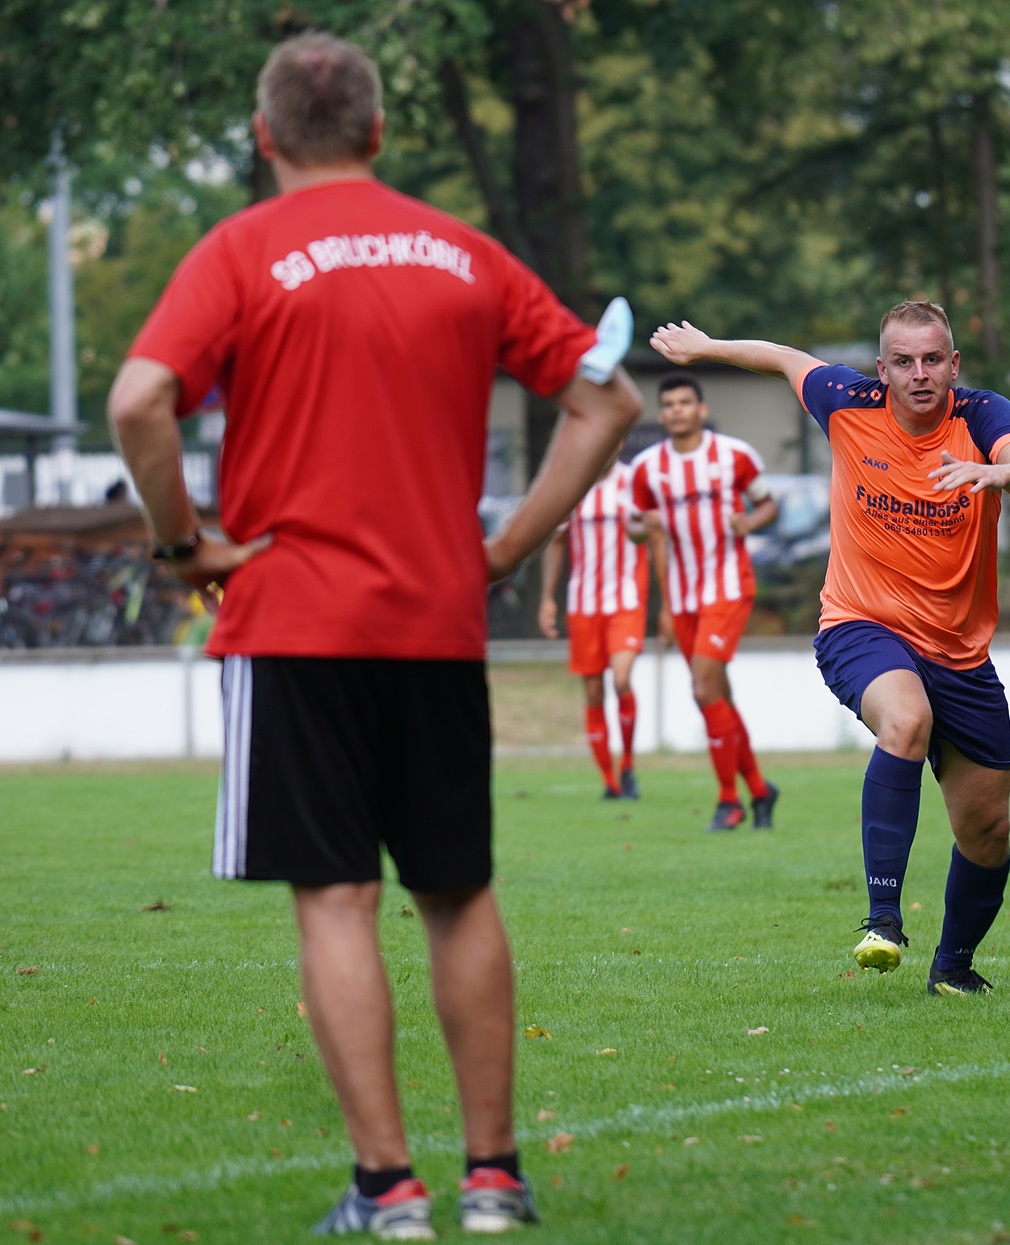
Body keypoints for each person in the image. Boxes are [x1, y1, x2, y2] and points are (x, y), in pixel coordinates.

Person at [107, 33, 640, 1239]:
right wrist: (501, 549)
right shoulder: (464, 252)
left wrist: (180, 542)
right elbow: (602, 402)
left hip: (294, 624)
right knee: (457, 893)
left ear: (263, 136)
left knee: (336, 900)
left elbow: (139, 398)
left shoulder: (241, 249)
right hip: (436, 626)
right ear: (380, 132)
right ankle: (495, 1179)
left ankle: (389, 1190)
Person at [650, 303, 1010, 995]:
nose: (919, 373)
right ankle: (883, 920)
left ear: (953, 365)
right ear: (882, 368)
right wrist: (709, 346)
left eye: (933, 360)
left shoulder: (983, 414)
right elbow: (783, 355)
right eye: (904, 361)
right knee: (905, 720)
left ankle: (953, 967)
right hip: (861, 626)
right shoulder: (845, 400)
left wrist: (997, 475)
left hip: (960, 652)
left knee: (987, 832)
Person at [627, 374, 780, 831]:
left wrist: (748, 523)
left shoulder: (733, 455)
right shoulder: (647, 468)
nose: (677, 410)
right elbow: (636, 529)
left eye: (684, 402)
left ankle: (728, 800)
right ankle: (759, 789)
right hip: (683, 596)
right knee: (716, 695)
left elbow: (768, 505)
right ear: (661, 414)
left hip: (728, 588)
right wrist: (645, 525)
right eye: (669, 404)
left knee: (701, 688)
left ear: (701, 409)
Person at [539, 452, 647, 800]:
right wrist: (547, 598)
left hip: (625, 601)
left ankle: (628, 765)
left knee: (621, 679)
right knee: (593, 692)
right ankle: (609, 781)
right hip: (583, 604)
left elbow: (655, 529)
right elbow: (555, 542)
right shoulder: (573, 482)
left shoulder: (634, 480)